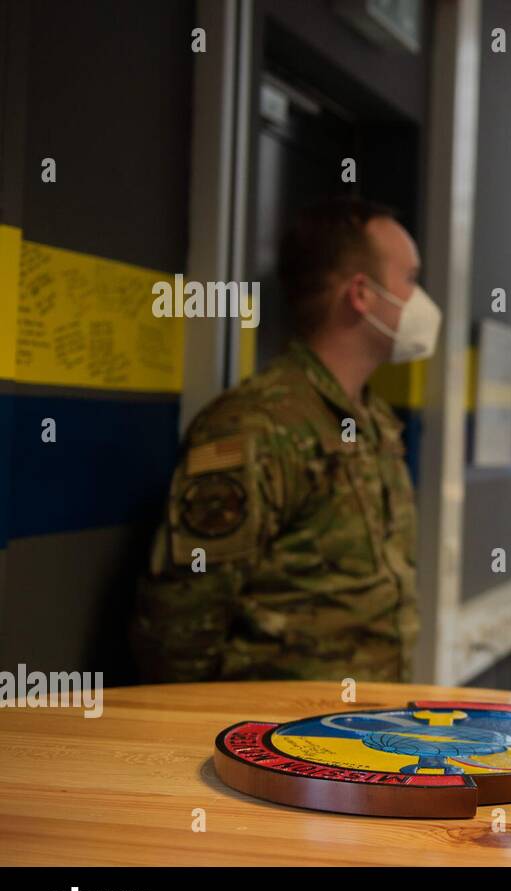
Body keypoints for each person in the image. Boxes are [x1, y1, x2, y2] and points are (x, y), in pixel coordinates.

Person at [130, 197, 440, 682]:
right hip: (272, 741)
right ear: (361, 295)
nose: (421, 299)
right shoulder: (255, 426)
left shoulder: (375, 419)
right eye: (410, 279)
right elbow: (181, 627)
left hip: (364, 730)